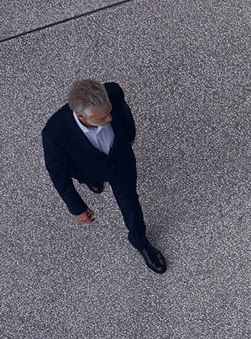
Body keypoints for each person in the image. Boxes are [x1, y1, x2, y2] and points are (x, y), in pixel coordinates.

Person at [42, 79, 167, 273]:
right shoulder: (54, 133)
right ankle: (94, 181)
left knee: (130, 204)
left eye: (109, 112)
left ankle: (140, 242)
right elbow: (58, 174)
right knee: (92, 178)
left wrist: (129, 134)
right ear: (81, 117)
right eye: (102, 118)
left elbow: (124, 112)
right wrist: (76, 207)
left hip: (120, 164)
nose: (109, 119)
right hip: (87, 169)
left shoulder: (113, 92)